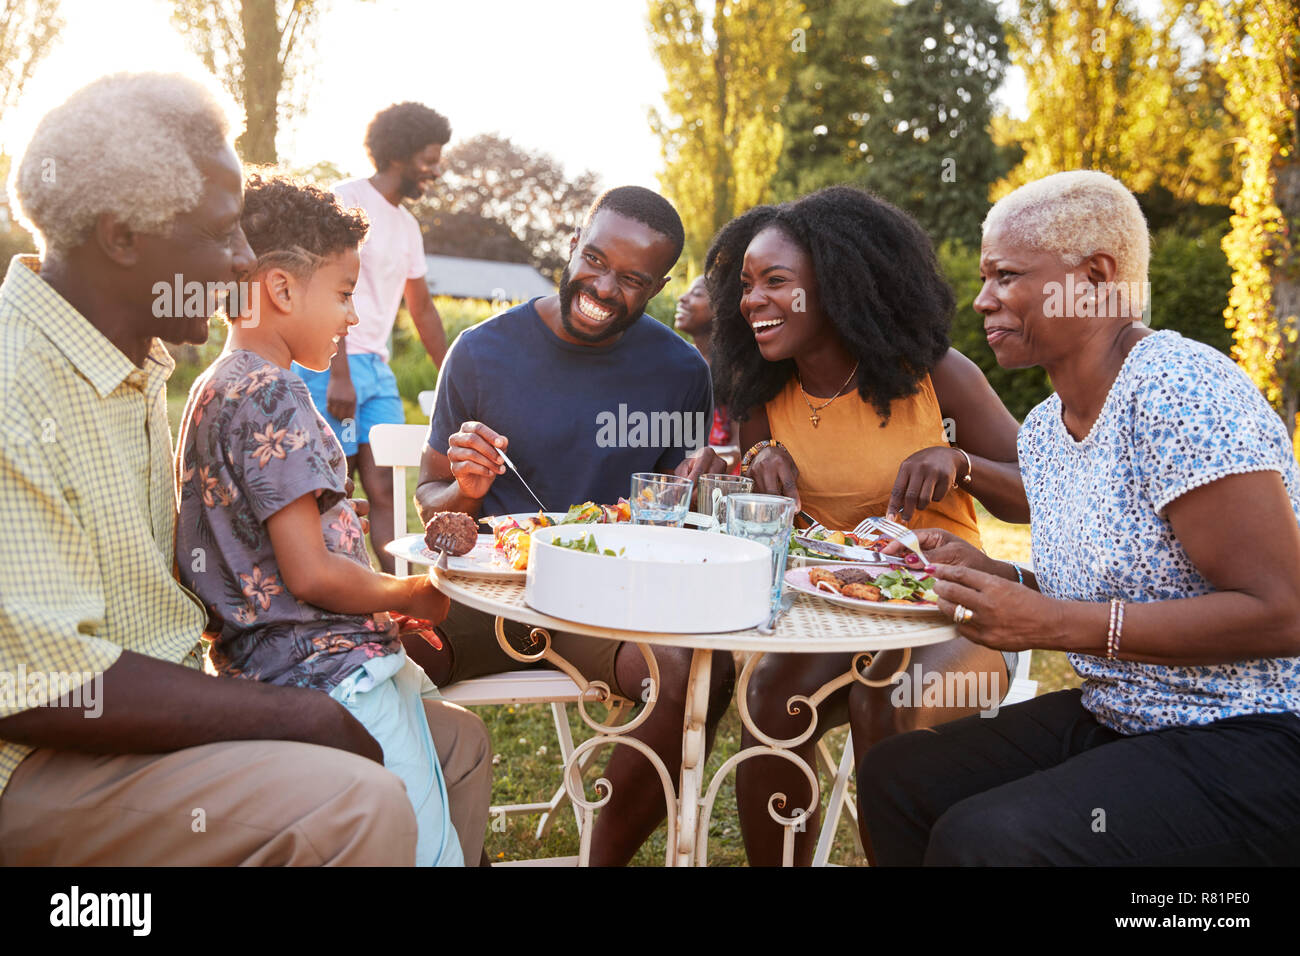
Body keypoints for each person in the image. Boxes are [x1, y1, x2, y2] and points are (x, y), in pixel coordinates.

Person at [0, 73, 422, 865]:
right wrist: (295, 716)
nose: (242, 266)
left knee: (453, 753)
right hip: (38, 768)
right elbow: (40, 687)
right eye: (225, 235)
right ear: (123, 238)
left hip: (133, 726)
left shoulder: (133, 366)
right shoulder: (13, 393)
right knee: (355, 803)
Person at [858, 170, 1300, 865]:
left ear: (1094, 275)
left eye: (1006, 275)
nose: (982, 300)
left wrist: (1054, 624)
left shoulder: (1179, 389)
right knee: (900, 778)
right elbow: (1108, 586)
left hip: (1258, 732)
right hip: (1127, 716)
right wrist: (993, 576)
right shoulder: (1042, 430)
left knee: (989, 841)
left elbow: (1284, 613)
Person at [703, 185, 1027, 866]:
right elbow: (754, 521)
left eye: (776, 282)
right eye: (747, 285)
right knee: (767, 699)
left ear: (837, 286)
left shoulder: (936, 375)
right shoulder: (764, 391)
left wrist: (960, 461)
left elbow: (1041, 494)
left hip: (951, 612)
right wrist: (756, 462)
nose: (751, 299)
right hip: (834, 610)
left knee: (888, 699)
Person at [174, 173, 491, 867]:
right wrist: (412, 594)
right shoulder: (275, 392)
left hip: (283, 663)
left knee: (464, 744)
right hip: (326, 674)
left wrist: (377, 610)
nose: (352, 319)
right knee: (421, 848)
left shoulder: (215, 385)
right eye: (345, 295)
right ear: (282, 290)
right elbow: (312, 574)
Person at [414, 185, 733, 866]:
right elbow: (430, 505)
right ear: (572, 245)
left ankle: (601, 860)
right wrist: (465, 490)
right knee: (374, 661)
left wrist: (692, 497)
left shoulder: (680, 369)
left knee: (693, 672)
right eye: (594, 259)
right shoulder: (479, 351)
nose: (603, 286)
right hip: (483, 595)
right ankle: (444, 850)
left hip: (606, 608)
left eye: (632, 279)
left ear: (661, 285)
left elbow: (678, 516)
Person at [296, 102, 451, 573]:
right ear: (400, 154)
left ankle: (393, 592)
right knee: (334, 485)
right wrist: (339, 373)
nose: (435, 170)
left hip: (376, 372)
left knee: (384, 487)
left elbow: (421, 308)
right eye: (429, 158)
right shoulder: (345, 199)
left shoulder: (407, 226)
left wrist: (455, 371)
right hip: (331, 366)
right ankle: (335, 589)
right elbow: (325, 289)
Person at [674, 274, 735, 448]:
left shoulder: (736, 369)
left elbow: (740, 447)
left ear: (720, 308)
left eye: (697, 294)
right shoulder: (677, 361)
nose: (683, 298)